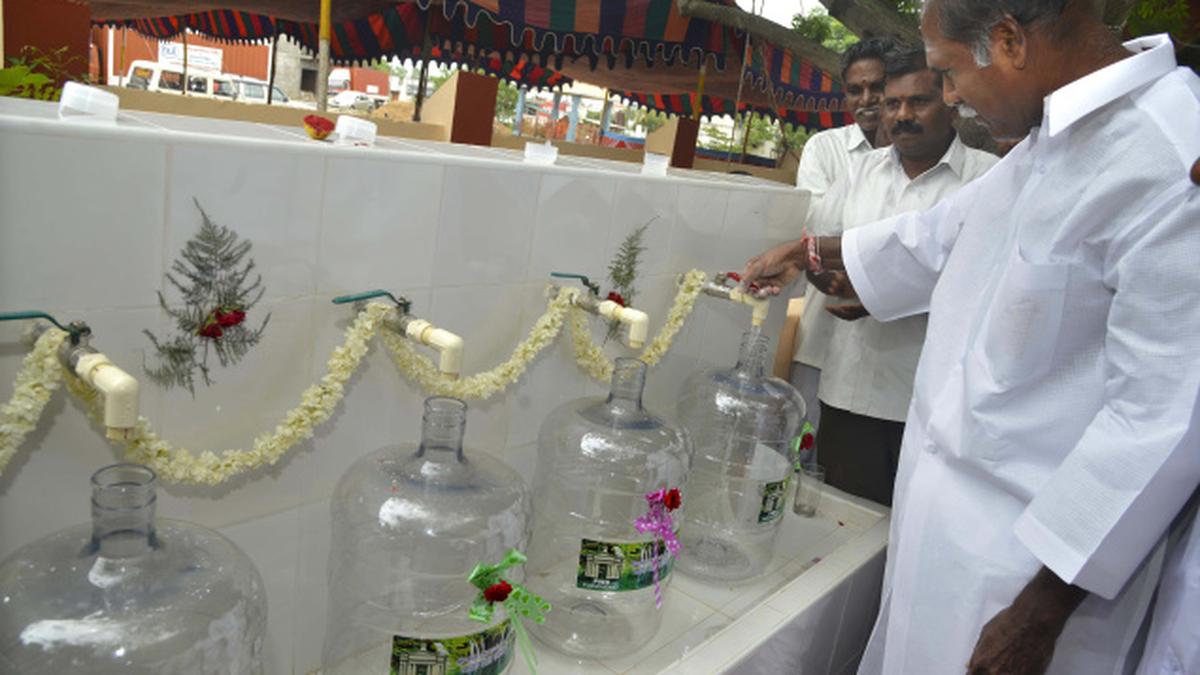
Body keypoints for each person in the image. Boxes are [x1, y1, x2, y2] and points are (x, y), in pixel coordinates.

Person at [740, 1, 1200, 673]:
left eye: (949, 73)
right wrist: (814, 250)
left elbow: (1163, 419)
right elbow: (944, 233)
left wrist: (1038, 612)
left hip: (1026, 573)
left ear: (1009, 41)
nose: (949, 95)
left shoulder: (1167, 158)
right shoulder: (1055, 135)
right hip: (949, 533)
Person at [812, 46, 998, 506]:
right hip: (848, 395)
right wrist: (827, 278)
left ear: (950, 101)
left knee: (907, 539)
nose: (901, 115)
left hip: (932, 406)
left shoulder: (988, 178)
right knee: (842, 534)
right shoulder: (859, 171)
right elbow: (822, 243)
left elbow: (985, 282)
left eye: (918, 102)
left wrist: (882, 294)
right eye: (892, 104)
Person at [791, 36, 896, 439]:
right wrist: (879, 157)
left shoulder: (921, 156)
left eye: (878, 86)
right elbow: (818, 230)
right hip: (821, 337)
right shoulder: (825, 148)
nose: (867, 98)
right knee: (800, 451)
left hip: (887, 352)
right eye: (856, 90)